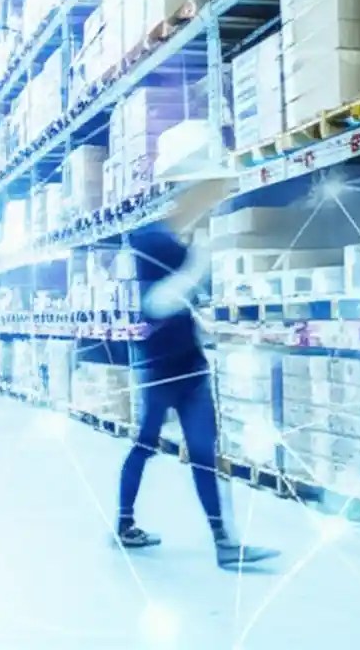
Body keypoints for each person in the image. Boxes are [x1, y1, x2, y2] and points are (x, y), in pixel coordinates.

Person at [118, 193, 279, 568]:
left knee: (204, 457)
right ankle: (125, 523)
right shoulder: (155, 292)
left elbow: (188, 289)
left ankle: (224, 540)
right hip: (161, 376)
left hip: (190, 372)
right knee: (145, 446)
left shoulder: (162, 270)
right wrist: (202, 249)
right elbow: (181, 285)